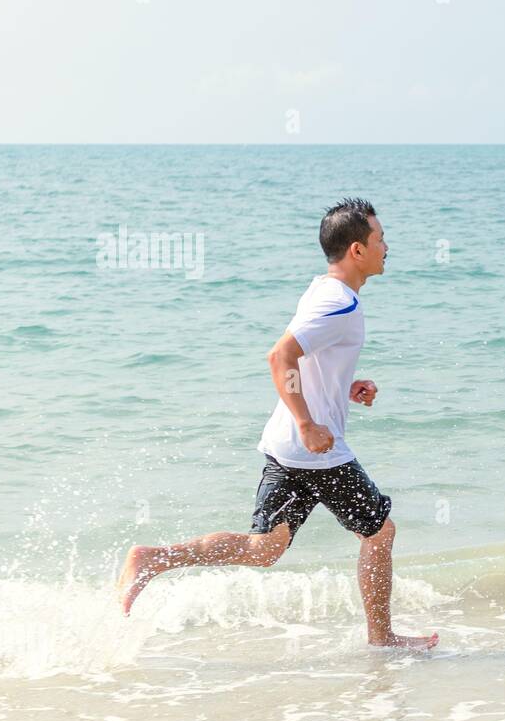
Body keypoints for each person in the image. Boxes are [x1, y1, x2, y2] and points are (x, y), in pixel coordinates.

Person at [115, 198, 438, 650]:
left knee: (264, 548)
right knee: (380, 530)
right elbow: (280, 356)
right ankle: (381, 639)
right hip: (314, 450)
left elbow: (306, 361)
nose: (388, 246)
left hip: (286, 445)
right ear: (357, 251)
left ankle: (152, 559)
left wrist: (341, 384)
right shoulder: (339, 303)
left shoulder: (323, 291)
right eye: (380, 238)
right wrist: (307, 422)